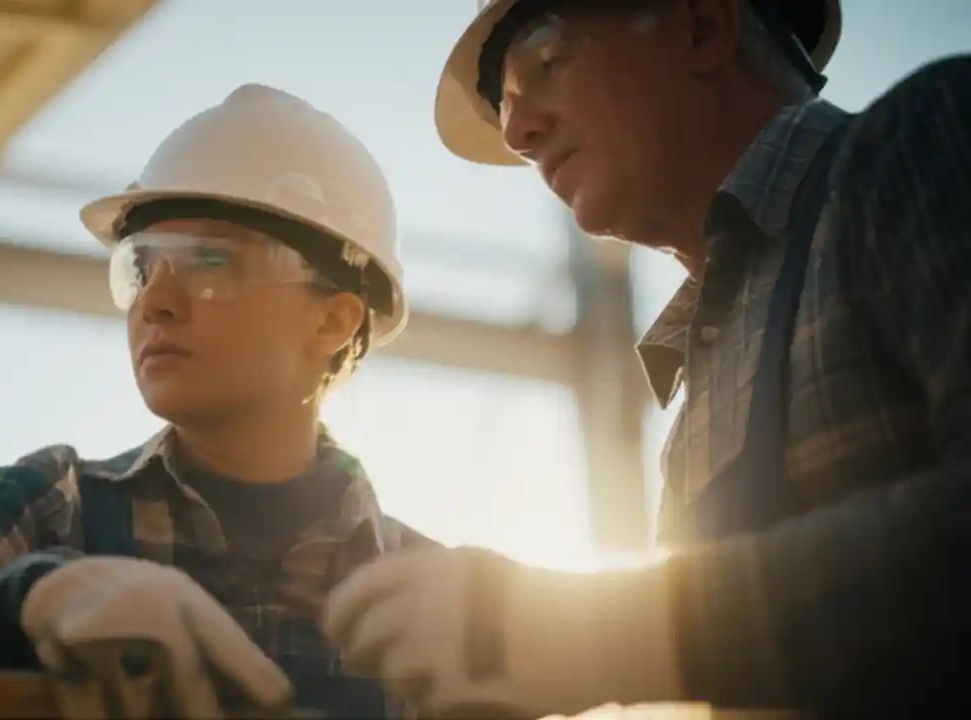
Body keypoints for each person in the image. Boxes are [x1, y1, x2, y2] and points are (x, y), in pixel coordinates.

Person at [323, 0, 971, 717]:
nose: (517, 130)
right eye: (506, 104)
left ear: (701, 25)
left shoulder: (927, 135)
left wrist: (596, 632)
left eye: (546, 59)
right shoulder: (701, 406)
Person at [0, 83, 433, 720]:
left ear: (333, 323)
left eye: (209, 262)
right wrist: (13, 610)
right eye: (141, 266)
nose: (155, 302)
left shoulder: (436, 607)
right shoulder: (57, 503)